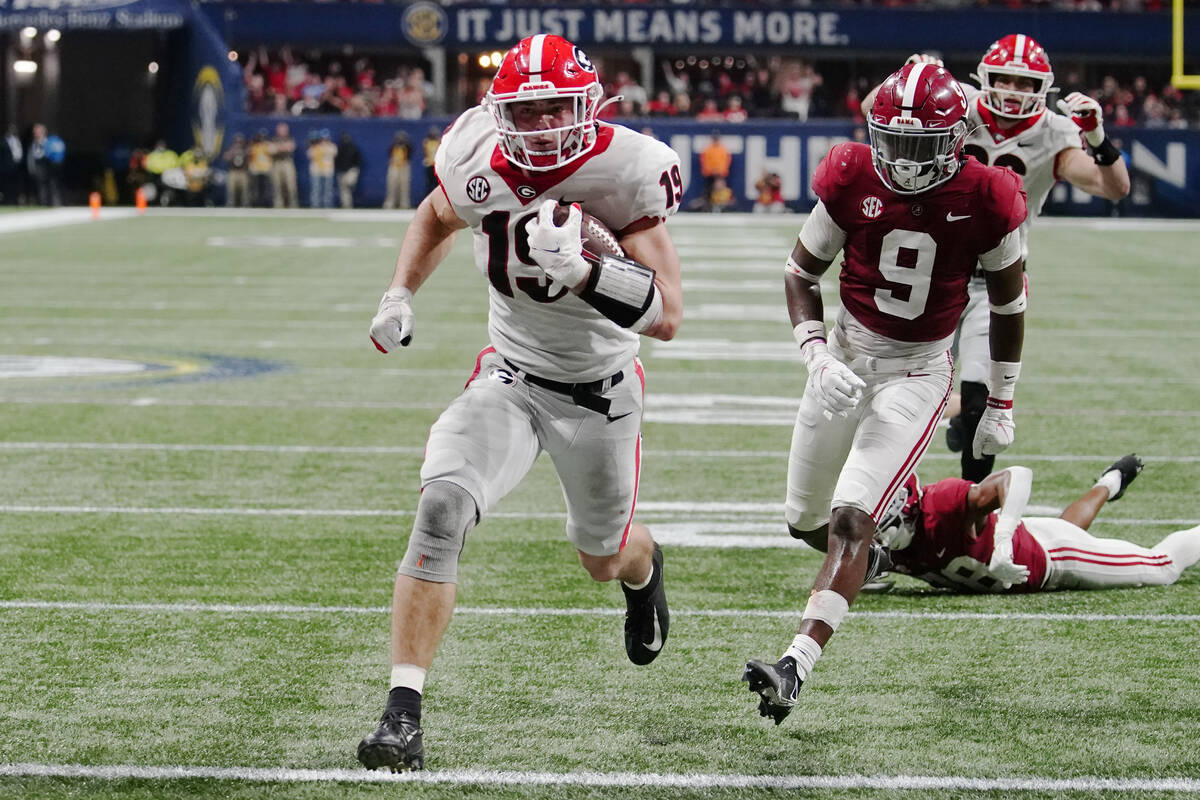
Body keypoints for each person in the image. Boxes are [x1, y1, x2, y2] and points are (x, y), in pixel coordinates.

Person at [356, 33, 683, 772]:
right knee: (441, 508)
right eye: (524, 111)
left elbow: (668, 313)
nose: (538, 126)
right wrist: (400, 292)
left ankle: (644, 565)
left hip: (601, 394)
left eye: (553, 109)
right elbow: (437, 217)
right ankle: (401, 715)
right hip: (510, 375)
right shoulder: (475, 153)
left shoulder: (630, 168)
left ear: (587, 105)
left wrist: (590, 271)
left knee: (603, 559)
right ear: (497, 110)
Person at [742, 62, 1028, 726]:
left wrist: (1003, 398)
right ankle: (899, 533)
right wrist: (814, 352)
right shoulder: (850, 174)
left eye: (921, 145)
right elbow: (800, 270)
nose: (902, 158)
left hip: (916, 372)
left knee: (847, 519)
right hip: (844, 354)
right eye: (892, 141)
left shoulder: (988, 194)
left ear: (955, 140)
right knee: (804, 520)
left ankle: (793, 666)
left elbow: (1010, 307)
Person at [863, 39, 1131, 482]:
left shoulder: (1055, 132)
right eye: (1004, 77)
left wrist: (1098, 137)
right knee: (892, 391)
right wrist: (908, 78)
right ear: (984, 77)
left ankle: (970, 509)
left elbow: (1113, 187)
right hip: (932, 270)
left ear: (1041, 86)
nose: (1011, 88)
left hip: (995, 281)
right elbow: (874, 110)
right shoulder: (957, 105)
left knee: (981, 404)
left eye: (1023, 81)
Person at [878, 455, 1200, 593]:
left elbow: (1017, 475)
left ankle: (1111, 482)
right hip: (1035, 540)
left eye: (887, 522)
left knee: (1162, 566)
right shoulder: (869, 536)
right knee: (1068, 526)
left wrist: (1003, 538)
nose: (879, 534)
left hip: (1057, 557)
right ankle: (1111, 481)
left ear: (911, 507)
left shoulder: (943, 505)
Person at [271, 122, 299, 208]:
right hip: (277, 163)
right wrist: (283, 147)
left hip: (287, 163)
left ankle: (293, 204)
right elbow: (272, 149)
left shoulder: (289, 138)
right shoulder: (274, 139)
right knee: (277, 185)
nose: (283, 131)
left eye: (284, 129)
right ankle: (278, 205)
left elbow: (291, 147)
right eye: (281, 129)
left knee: (291, 185)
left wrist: (280, 147)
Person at [698, 132, 731, 204]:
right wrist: (710, 171)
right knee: (708, 189)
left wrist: (720, 171)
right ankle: (708, 203)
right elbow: (705, 161)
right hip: (710, 173)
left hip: (720, 173)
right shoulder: (708, 149)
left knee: (721, 189)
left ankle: (722, 203)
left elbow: (725, 161)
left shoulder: (722, 149)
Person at [306, 129, 336, 209]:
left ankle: (327, 207)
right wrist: (315, 146)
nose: (324, 140)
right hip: (316, 170)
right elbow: (310, 155)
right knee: (316, 190)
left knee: (327, 191)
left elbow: (333, 152)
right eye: (323, 139)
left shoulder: (332, 146)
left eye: (326, 138)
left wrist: (324, 147)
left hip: (327, 170)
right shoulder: (315, 147)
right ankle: (315, 207)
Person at [383, 132, 412, 210]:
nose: (400, 140)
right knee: (392, 186)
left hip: (404, 166)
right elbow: (389, 153)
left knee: (404, 186)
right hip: (394, 166)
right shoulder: (393, 147)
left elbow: (410, 152)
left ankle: (404, 203)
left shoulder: (407, 147)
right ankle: (390, 202)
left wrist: (405, 144)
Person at [335, 131, 363, 209]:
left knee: (347, 186)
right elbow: (337, 160)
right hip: (343, 172)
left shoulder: (353, 148)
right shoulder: (340, 148)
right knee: (344, 190)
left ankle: (347, 204)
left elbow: (358, 161)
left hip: (351, 171)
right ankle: (346, 205)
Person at [223, 134, 250, 208]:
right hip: (233, 172)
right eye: (237, 142)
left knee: (244, 191)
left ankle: (245, 205)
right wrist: (233, 151)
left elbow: (250, 157)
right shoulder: (231, 148)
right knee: (231, 190)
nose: (238, 143)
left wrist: (243, 151)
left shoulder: (245, 148)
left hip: (242, 172)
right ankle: (231, 205)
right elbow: (225, 157)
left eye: (240, 142)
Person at [420, 126, 440, 198]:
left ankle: (436, 199)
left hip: (436, 165)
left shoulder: (438, 142)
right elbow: (425, 152)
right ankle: (428, 199)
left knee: (436, 184)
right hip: (429, 165)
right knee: (429, 184)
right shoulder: (427, 142)